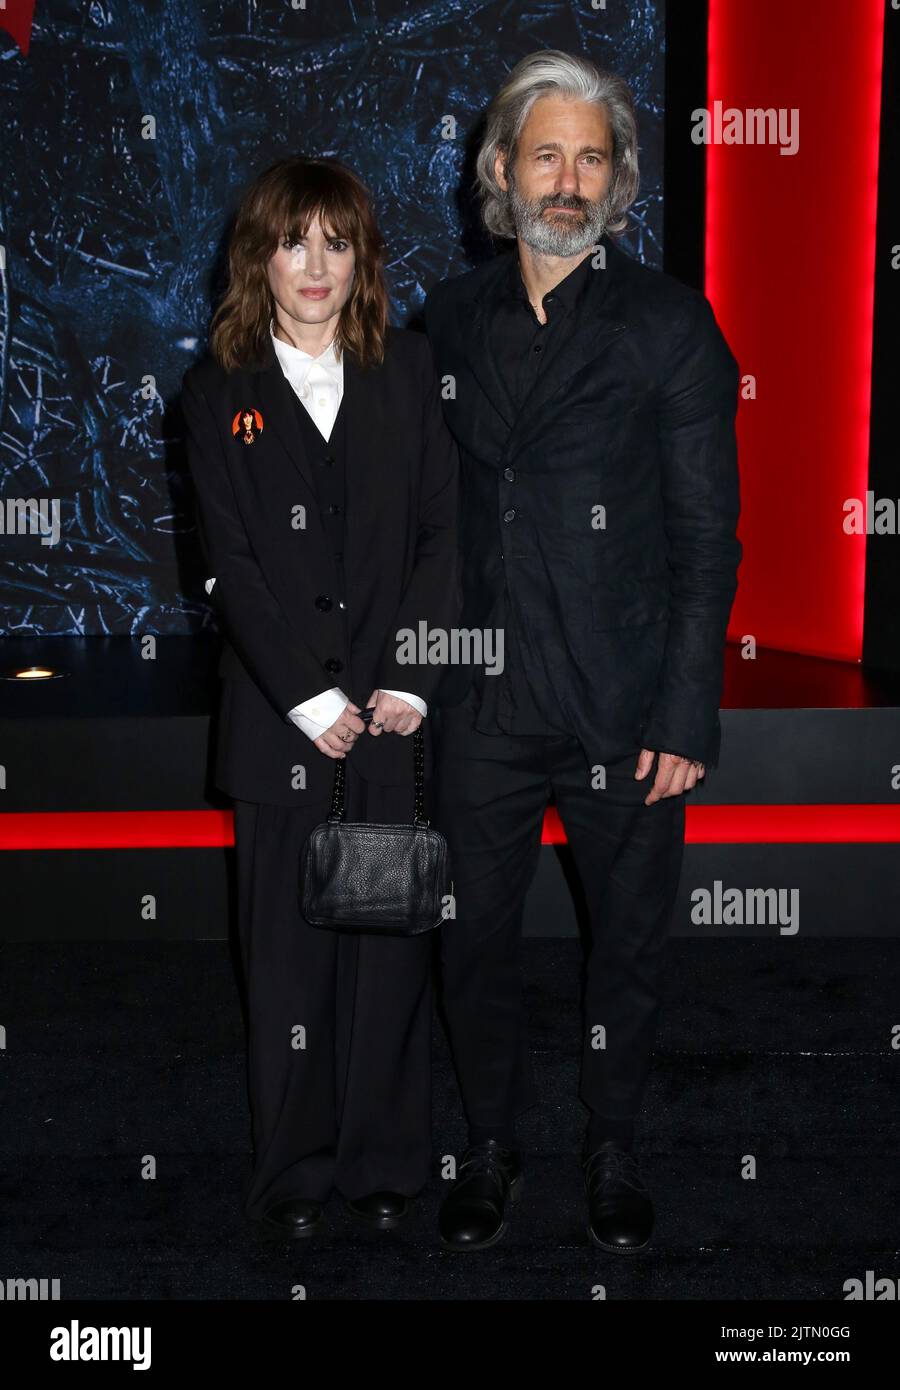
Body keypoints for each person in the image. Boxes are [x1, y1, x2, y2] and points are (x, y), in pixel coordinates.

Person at [424, 50, 741, 1252]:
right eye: (546, 153)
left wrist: (686, 711)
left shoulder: (667, 322)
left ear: (618, 181)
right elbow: (423, 521)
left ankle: (612, 1140)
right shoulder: (448, 319)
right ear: (500, 168)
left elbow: (709, 536)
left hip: (622, 705)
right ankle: (489, 1143)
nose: (569, 179)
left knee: (632, 945)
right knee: (474, 941)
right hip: (484, 705)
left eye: (592, 157)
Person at [182, 155, 459, 1238]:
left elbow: (444, 537)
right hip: (275, 725)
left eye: (336, 243)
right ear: (261, 255)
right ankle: (293, 1174)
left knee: (389, 946)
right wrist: (307, 696)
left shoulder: (413, 372)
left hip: (392, 719)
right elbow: (229, 566)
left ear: (363, 260)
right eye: (293, 241)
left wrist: (405, 678)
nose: (315, 265)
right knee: (288, 965)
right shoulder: (217, 389)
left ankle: (387, 1160)